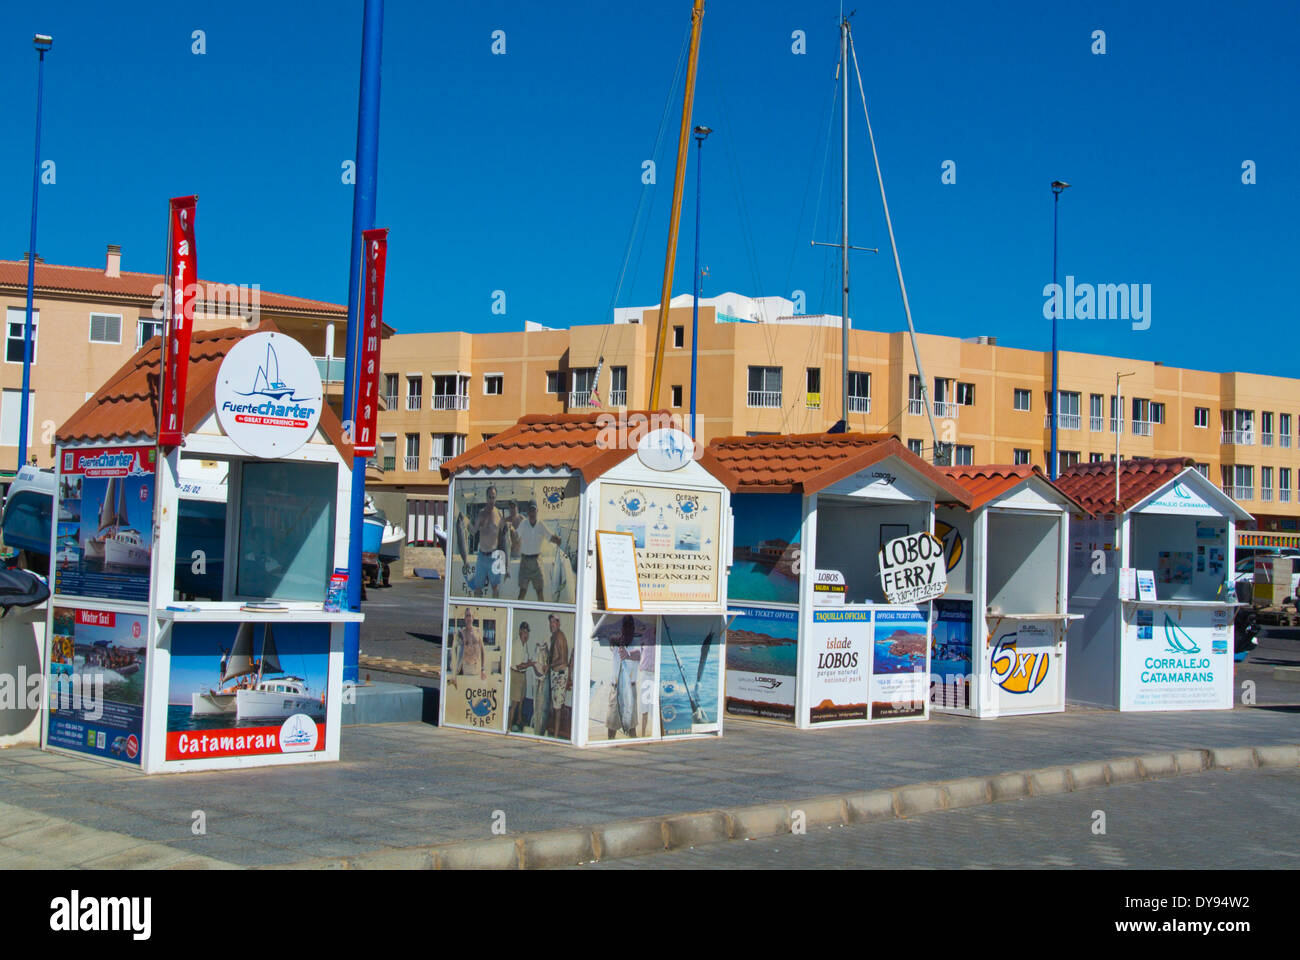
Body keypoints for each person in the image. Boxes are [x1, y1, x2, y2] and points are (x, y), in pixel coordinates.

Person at [507, 502, 562, 601]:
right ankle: (518, 612)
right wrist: (510, 529)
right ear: (527, 512)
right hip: (525, 561)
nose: (532, 513)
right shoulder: (523, 523)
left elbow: (550, 537)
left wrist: (557, 539)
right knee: (522, 592)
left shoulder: (541, 524)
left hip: (537, 561)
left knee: (540, 592)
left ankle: (542, 613)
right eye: (530, 510)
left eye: (534, 510)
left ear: (537, 511)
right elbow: (516, 536)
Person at [466, 486, 505, 598]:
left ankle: (496, 613)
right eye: (489, 497)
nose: (491, 500)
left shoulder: (499, 515)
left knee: (495, 588)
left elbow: (505, 535)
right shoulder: (481, 514)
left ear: (495, 498)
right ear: (486, 498)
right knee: (477, 588)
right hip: (482, 556)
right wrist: (466, 522)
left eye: (493, 497)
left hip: (495, 556)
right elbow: (473, 531)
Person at [606, 616, 638, 739]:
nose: (628, 630)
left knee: (632, 727)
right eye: (626, 627)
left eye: (630, 627)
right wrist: (620, 641)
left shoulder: (636, 644)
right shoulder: (616, 643)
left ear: (634, 629)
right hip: (616, 689)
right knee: (611, 726)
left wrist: (628, 654)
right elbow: (609, 637)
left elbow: (638, 655)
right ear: (622, 628)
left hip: (630, 689)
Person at [508, 620, 540, 732]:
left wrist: (531, 661)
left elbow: (524, 661)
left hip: (523, 675)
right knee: (515, 703)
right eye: (524, 632)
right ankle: (508, 727)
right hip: (516, 675)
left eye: (527, 632)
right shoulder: (516, 644)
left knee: (521, 700)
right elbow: (519, 666)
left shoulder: (524, 644)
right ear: (520, 631)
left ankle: (519, 720)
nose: (526, 635)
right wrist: (530, 664)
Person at [546, 614, 571, 739]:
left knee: (557, 707)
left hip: (560, 675)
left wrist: (549, 665)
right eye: (550, 622)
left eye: (554, 622)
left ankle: (555, 736)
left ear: (558, 623)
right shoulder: (553, 637)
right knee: (554, 705)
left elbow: (563, 659)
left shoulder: (560, 637)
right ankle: (553, 733)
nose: (552, 624)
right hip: (555, 674)